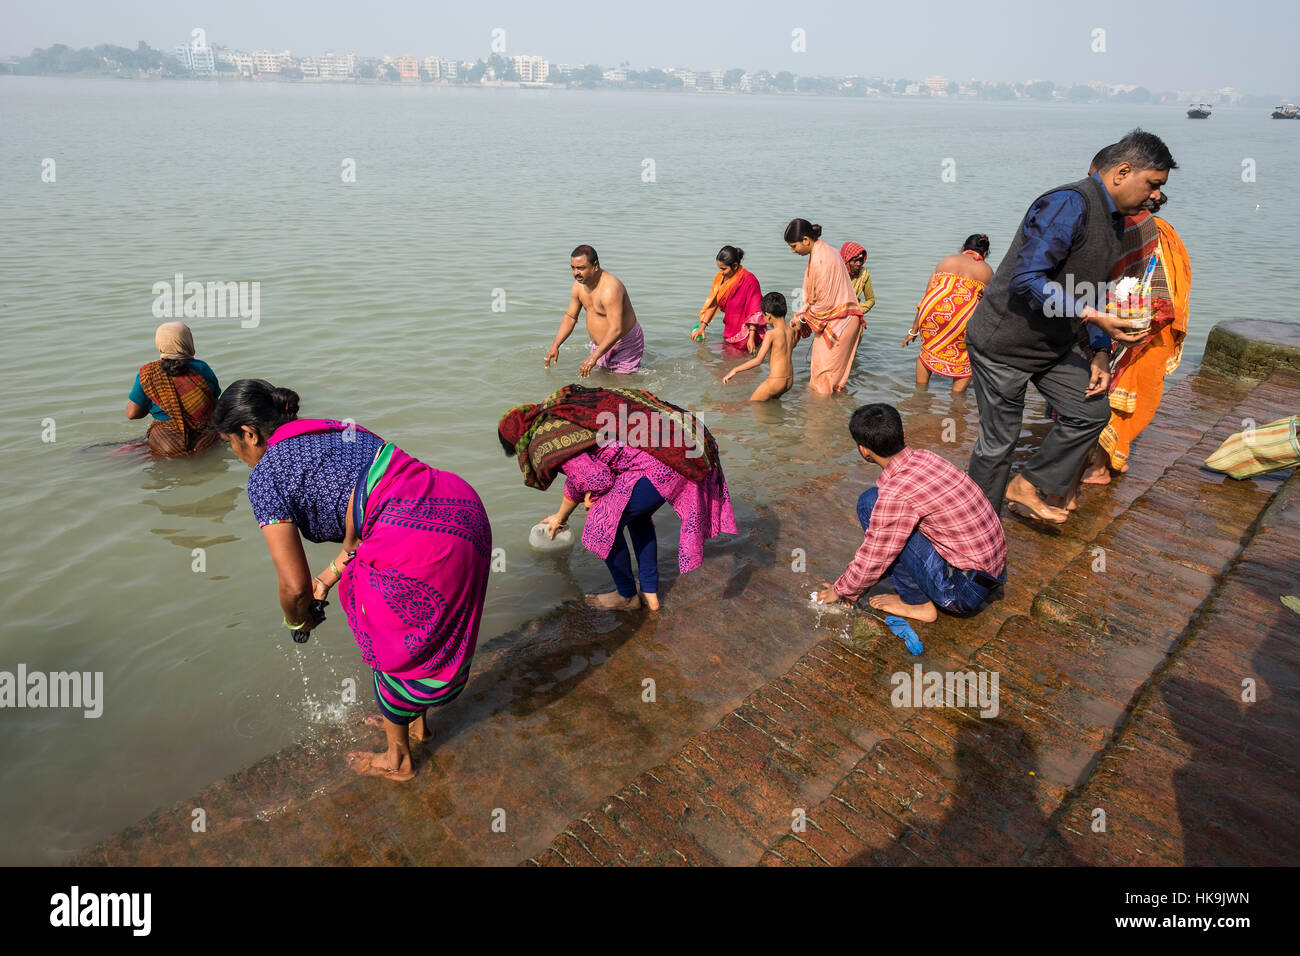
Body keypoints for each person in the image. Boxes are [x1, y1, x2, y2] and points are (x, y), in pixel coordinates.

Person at [213, 380, 493, 782]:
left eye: (230, 443)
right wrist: (327, 578)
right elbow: (365, 516)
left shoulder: (266, 476)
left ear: (250, 434)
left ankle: (397, 761)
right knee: (419, 635)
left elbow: (293, 587)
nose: (235, 453)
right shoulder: (339, 429)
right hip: (458, 507)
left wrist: (298, 620)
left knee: (390, 641)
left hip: (410, 538)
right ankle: (416, 725)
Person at [964, 129, 1174, 524]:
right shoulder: (1068, 204)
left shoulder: (1116, 221)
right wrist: (1094, 318)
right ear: (1122, 172)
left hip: (1054, 344)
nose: (1155, 196)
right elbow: (1029, 280)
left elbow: (1092, 291)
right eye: (1152, 184)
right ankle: (974, 533)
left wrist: (1099, 351)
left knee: (1090, 413)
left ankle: (1025, 485)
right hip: (1003, 344)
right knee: (998, 446)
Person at [498, 385, 737, 611]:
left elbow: (598, 478)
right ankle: (650, 595)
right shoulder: (561, 412)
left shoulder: (544, 442)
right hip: (681, 446)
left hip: (664, 465)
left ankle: (626, 596)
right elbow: (581, 474)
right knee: (636, 517)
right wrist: (562, 515)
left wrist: (590, 500)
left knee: (600, 524)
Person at [814, 404, 1006, 622]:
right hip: (992, 572)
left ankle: (916, 603)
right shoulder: (927, 458)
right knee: (875, 502)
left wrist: (842, 590)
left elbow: (876, 554)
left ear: (863, 451)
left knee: (870, 506)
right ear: (903, 434)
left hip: (961, 593)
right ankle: (906, 584)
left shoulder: (896, 494)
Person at [1082, 190, 1190, 484]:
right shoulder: (1160, 233)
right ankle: (1111, 457)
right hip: (1138, 327)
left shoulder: (1147, 234)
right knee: (1114, 395)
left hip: (1140, 332)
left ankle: (1101, 467)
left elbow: (1157, 294)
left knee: (1114, 397)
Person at [901, 235, 993, 394]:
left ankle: (920, 397)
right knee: (966, 358)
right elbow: (989, 307)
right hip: (963, 319)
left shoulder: (946, 260)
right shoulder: (987, 271)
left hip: (933, 312)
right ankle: (956, 402)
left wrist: (913, 330)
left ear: (963, 248)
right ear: (984, 254)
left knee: (927, 351)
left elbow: (927, 297)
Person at [784, 219, 864, 395]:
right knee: (830, 380)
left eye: (794, 246)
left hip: (839, 323)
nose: (792, 251)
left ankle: (819, 419)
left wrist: (802, 318)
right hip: (841, 320)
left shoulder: (822, 259)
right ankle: (832, 417)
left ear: (806, 240)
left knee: (823, 382)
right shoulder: (824, 251)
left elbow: (824, 304)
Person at [545, 244, 645, 376]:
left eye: (581, 268)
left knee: (622, 385)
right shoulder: (578, 287)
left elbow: (617, 329)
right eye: (573, 268)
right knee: (601, 381)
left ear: (595, 266)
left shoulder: (611, 289)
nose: (576, 273)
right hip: (601, 344)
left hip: (624, 342)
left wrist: (594, 357)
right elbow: (570, 317)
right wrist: (555, 345)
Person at [125, 321, 220, 456]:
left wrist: (151, 400)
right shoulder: (202, 369)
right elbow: (214, 404)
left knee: (145, 448)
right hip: (204, 440)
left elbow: (132, 414)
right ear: (188, 341)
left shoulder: (147, 374)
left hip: (166, 444)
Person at [723, 291, 796, 401]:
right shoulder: (791, 331)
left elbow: (758, 360)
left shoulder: (771, 334)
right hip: (789, 381)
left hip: (775, 381)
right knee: (772, 407)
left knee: (750, 405)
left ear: (768, 316)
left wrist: (735, 370)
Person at [692, 245, 765, 353]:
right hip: (730, 331)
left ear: (735, 266)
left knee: (733, 363)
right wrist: (702, 327)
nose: (720, 272)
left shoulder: (750, 281)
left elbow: (754, 311)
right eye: (719, 268)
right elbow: (714, 303)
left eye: (723, 269)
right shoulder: (720, 279)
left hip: (747, 334)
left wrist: (751, 338)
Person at [840, 241, 877, 319]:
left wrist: (857, 310)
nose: (858, 263)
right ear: (847, 260)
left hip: (853, 318)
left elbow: (871, 300)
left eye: (860, 260)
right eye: (855, 260)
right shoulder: (835, 273)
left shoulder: (863, 274)